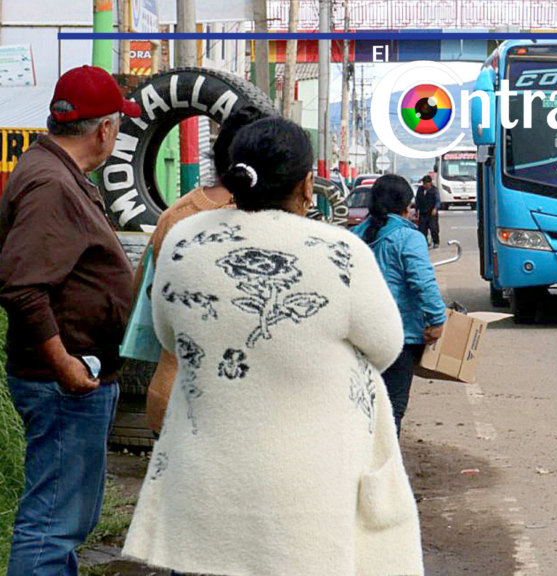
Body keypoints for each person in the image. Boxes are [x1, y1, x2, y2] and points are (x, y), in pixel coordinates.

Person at [122, 118, 423, 576]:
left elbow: (169, 334)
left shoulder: (184, 239)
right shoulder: (339, 253)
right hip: (302, 497)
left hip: (203, 484)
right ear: (306, 185)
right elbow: (385, 346)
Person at [0, 65, 141, 576]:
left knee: (64, 522)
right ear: (105, 130)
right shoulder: (50, 182)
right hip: (62, 383)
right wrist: (63, 364)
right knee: (51, 524)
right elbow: (20, 285)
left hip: (74, 377)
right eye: (118, 125)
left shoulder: (55, 171)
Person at [132, 105, 271, 436]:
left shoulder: (176, 216)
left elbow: (142, 294)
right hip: (242, 412)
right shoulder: (275, 225)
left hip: (172, 398)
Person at [353, 175, 447, 436]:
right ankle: (382, 471)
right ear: (406, 204)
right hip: (399, 336)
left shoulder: (355, 235)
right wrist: (437, 320)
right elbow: (423, 282)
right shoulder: (408, 237)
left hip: (359, 336)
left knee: (364, 406)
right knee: (391, 409)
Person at [415, 174, 440, 248]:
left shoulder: (434, 190)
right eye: (424, 183)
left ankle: (436, 242)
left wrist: (435, 208)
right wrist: (416, 210)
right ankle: (425, 242)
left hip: (432, 212)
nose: (425, 185)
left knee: (433, 228)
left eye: (426, 183)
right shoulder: (420, 189)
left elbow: (438, 201)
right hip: (423, 212)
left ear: (430, 183)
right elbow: (417, 200)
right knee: (422, 229)